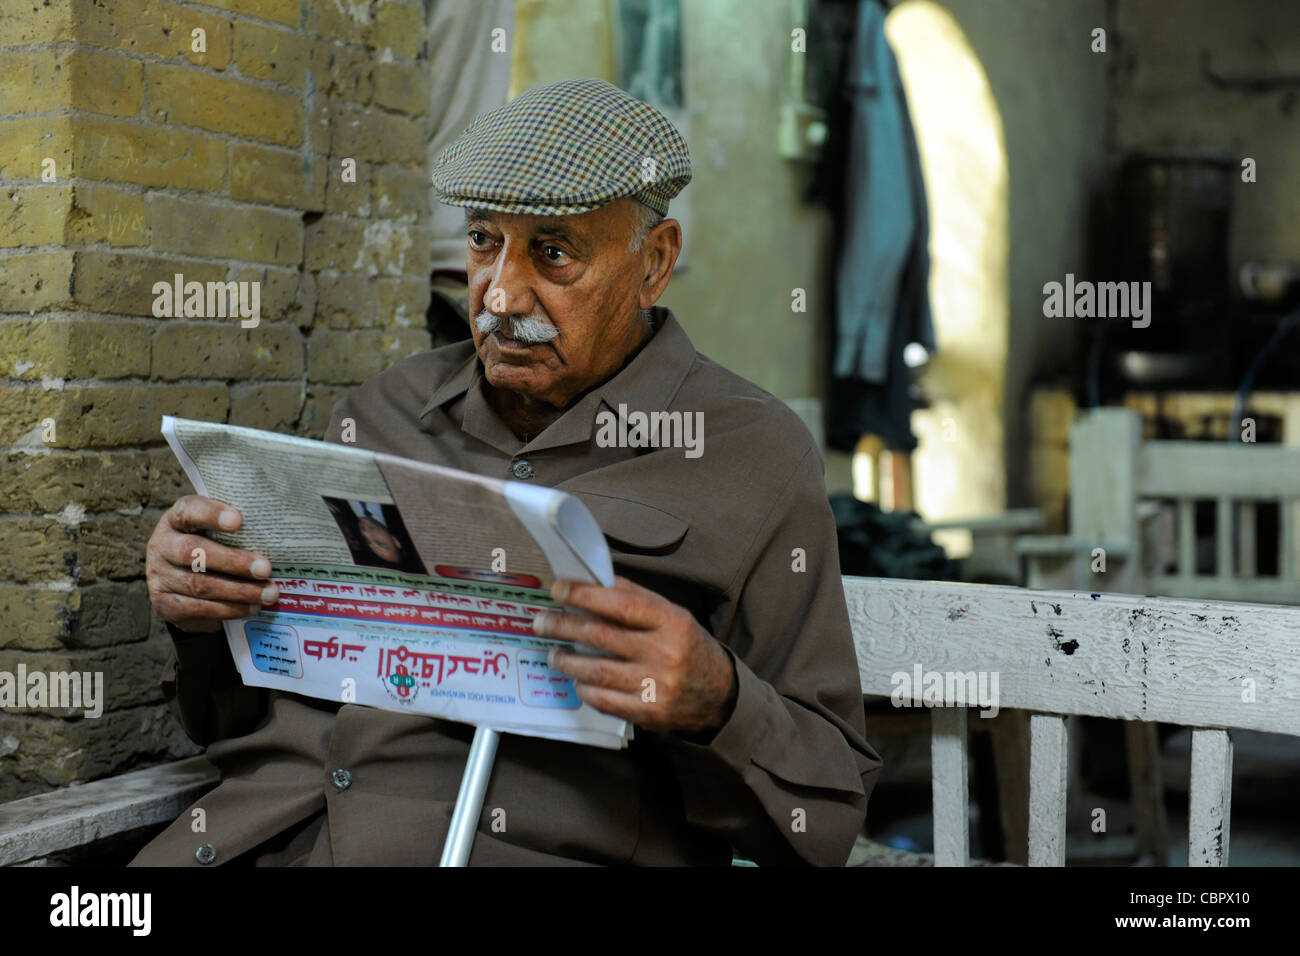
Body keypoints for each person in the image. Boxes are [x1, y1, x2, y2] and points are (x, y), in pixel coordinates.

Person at [137, 78, 881, 866]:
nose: (498, 292)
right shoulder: (382, 413)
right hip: (259, 843)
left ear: (655, 264)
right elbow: (240, 722)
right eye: (485, 241)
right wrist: (203, 616)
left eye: (553, 253)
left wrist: (717, 702)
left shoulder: (751, 454)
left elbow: (824, 820)